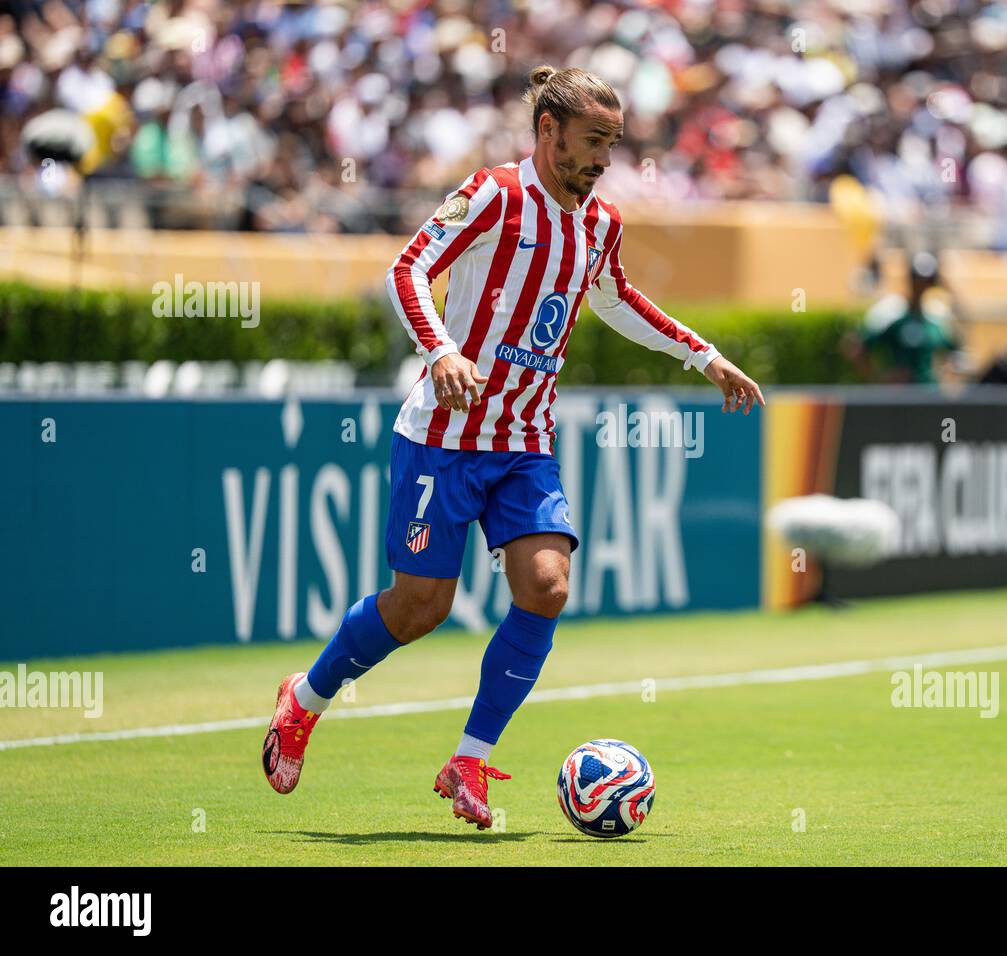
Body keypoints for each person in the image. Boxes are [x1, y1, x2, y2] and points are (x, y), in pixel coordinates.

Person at [261, 65, 764, 829]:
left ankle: (469, 759)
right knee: (420, 606)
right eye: (591, 142)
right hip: (442, 436)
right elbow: (408, 269)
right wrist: (441, 351)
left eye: (612, 145)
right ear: (548, 132)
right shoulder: (493, 194)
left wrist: (704, 355)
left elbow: (616, 298)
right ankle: (306, 700)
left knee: (547, 586)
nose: (601, 159)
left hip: (524, 443)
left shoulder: (599, 223)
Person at [843, 251, 963, 386]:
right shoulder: (892, 311)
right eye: (918, 280)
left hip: (930, 396)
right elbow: (857, 347)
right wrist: (878, 378)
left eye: (927, 281)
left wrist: (947, 375)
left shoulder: (936, 315)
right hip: (901, 397)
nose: (922, 286)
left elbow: (955, 353)